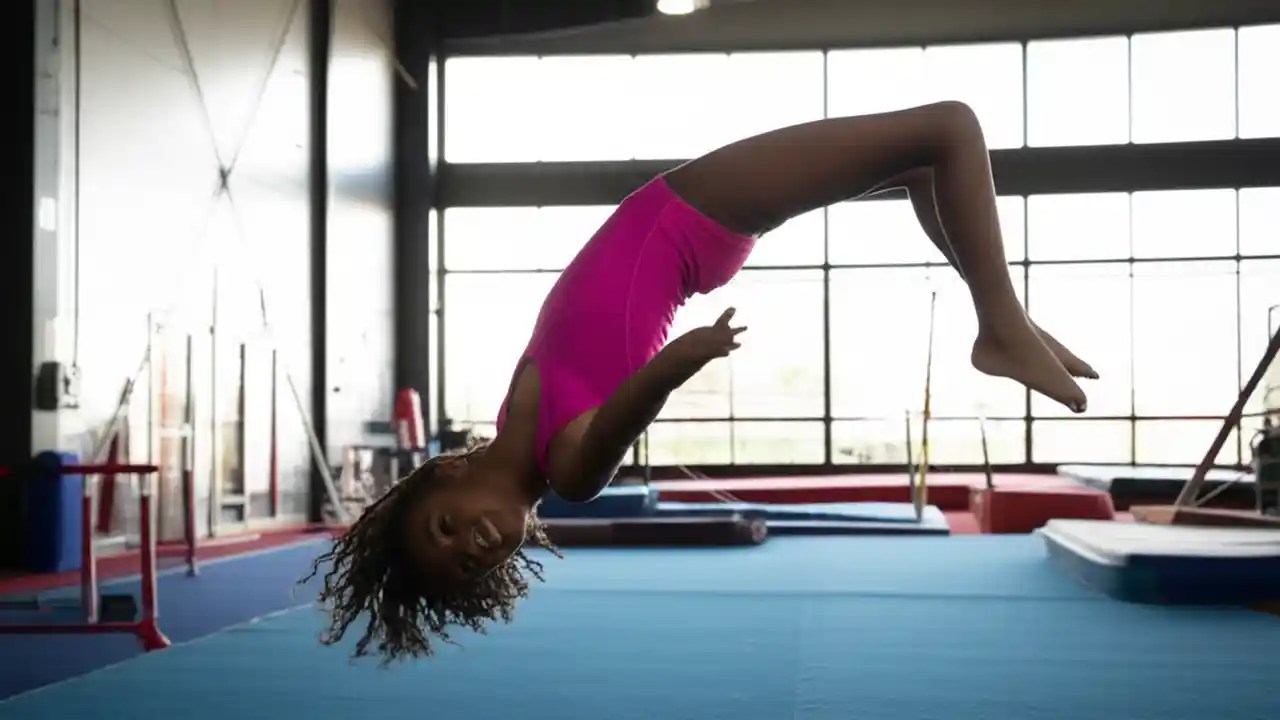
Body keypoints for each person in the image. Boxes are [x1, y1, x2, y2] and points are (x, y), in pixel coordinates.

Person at [303, 101, 1098, 663]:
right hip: (688, 219)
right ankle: (999, 326)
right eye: (472, 566)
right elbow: (621, 415)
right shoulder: (566, 472)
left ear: (439, 476)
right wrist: (682, 360)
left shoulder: (514, 425)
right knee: (950, 127)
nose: (473, 547)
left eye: (445, 532)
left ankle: (1005, 319)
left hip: (679, 226)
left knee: (926, 161)